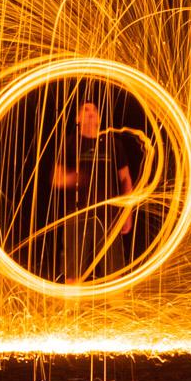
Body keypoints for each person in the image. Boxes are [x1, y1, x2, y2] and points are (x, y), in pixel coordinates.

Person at [48, 97, 139, 285]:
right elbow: (56, 178)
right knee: (73, 275)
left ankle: (118, 312)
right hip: (77, 216)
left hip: (108, 217)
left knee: (114, 274)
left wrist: (127, 213)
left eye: (94, 111)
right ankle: (70, 314)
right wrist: (74, 178)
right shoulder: (70, 144)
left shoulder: (113, 144)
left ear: (99, 119)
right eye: (86, 110)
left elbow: (125, 179)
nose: (91, 113)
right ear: (77, 119)